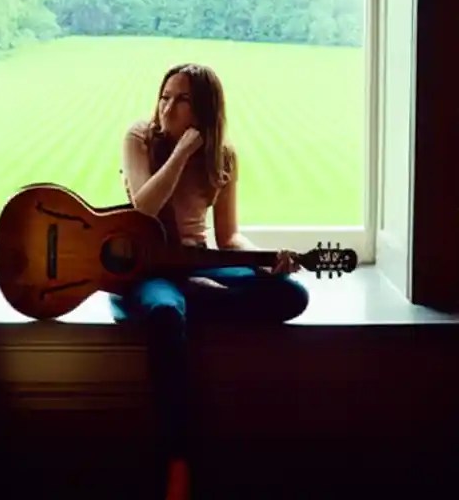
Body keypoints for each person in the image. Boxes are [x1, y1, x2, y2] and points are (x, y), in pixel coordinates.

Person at [110, 62, 310, 500]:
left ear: (204, 108)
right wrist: (181, 152)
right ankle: (177, 462)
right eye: (164, 96)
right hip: (146, 267)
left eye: (181, 99)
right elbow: (144, 207)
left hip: (199, 263)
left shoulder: (224, 157)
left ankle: (196, 295)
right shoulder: (139, 139)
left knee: (291, 295)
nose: (167, 107)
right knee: (164, 310)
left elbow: (228, 236)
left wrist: (264, 261)